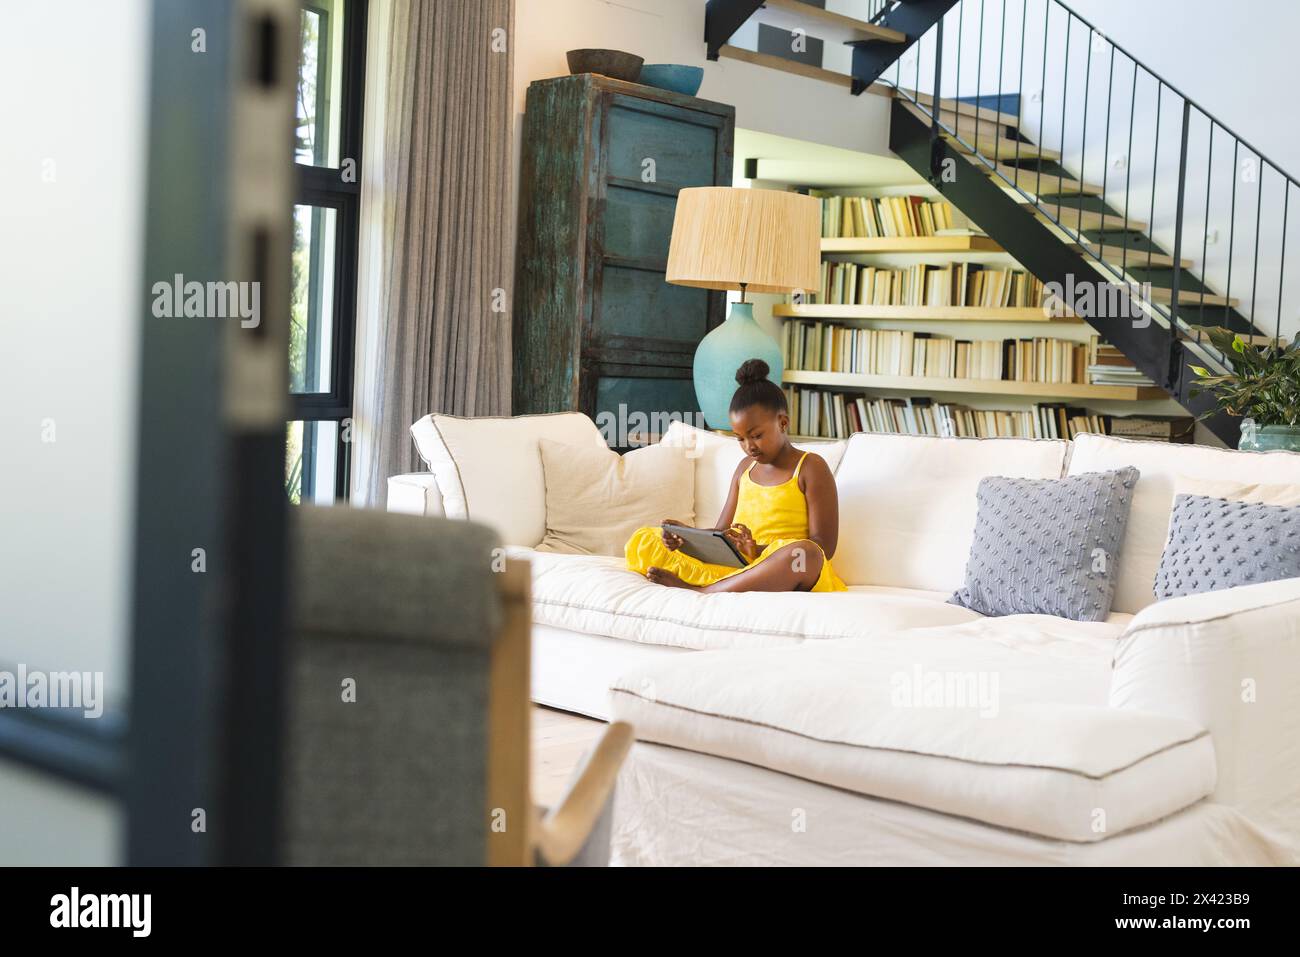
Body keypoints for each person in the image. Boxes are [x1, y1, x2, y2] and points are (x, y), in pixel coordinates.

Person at [624, 358, 847, 593]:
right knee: (646, 538)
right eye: (740, 438)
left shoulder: (811, 467)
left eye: (756, 435)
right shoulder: (744, 468)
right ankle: (723, 585)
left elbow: (824, 547)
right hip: (738, 567)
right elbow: (720, 534)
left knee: (805, 554)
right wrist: (686, 539)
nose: (749, 446)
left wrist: (758, 550)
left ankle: (704, 591)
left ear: (782, 423)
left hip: (782, 566)